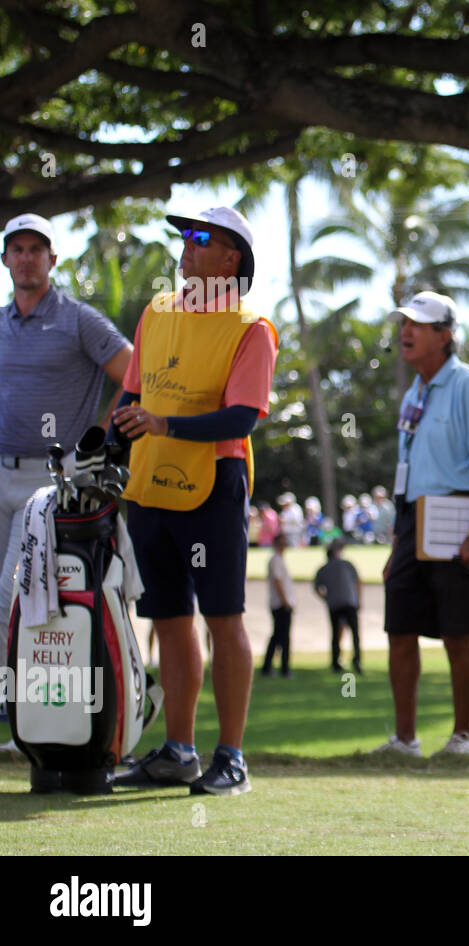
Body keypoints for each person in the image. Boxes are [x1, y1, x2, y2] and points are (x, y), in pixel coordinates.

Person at [112, 205, 277, 796]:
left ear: (231, 257)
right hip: (150, 486)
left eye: (200, 236)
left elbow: (242, 416)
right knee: (170, 620)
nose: (186, 244)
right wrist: (106, 452)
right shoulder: (156, 312)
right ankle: (178, 751)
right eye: (183, 235)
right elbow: (131, 395)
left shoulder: (250, 326)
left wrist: (164, 425)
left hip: (213, 486)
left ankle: (230, 756)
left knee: (223, 619)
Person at [0, 213, 131, 670]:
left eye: (36, 249)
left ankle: (17, 706)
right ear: (5, 259)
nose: (27, 258)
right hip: (1, 469)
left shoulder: (79, 320)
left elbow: (135, 375)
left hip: (50, 480)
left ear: (52, 259)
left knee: (13, 588)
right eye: (18, 249)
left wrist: (100, 438)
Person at [377, 290, 469, 757]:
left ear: (445, 335)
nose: (405, 332)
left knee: (458, 631)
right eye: (403, 324)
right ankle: (406, 740)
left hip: (459, 517)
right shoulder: (415, 392)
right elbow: (406, 472)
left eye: (418, 325)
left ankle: (461, 739)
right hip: (414, 520)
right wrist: (397, 546)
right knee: (400, 626)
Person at [314, 538, 362, 674]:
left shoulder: (324, 569)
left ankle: (336, 662)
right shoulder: (346, 564)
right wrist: (358, 599)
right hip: (349, 602)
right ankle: (356, 661)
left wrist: (326, 598)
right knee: (355, 634)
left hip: (335, 604)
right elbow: (358, 581)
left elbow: (317, 588)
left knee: (336, 634)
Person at [261, 533, 294, 677]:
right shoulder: (276, 560)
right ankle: (283, 668)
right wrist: (285, 601)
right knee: (282, 637)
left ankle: (268, 666)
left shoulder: (279, 560)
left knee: (277, 636)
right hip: (280, 604)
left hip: (281, 603)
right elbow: (278, 581)